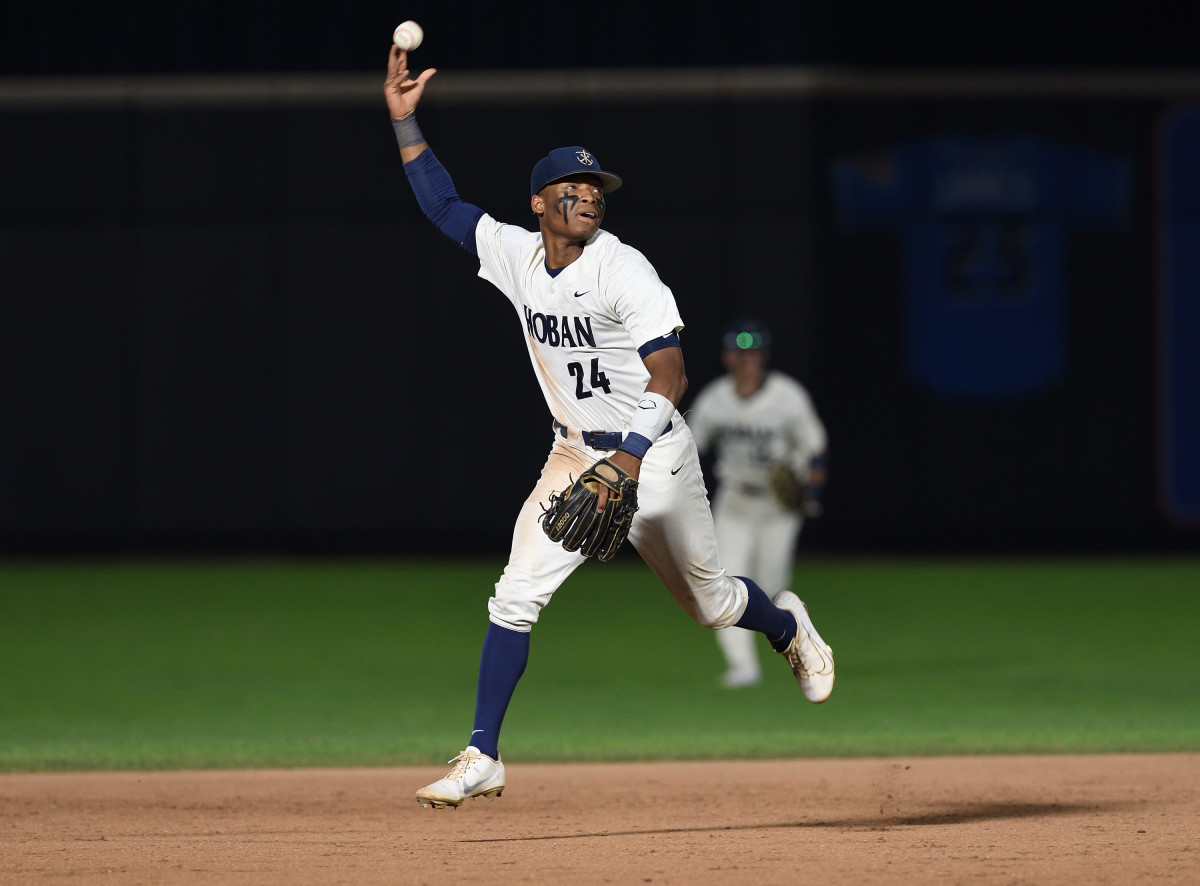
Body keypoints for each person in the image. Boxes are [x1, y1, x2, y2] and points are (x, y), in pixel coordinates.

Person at [383, 45, 835, 810]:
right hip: (570, 453)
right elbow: (442, 205)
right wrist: (404, 120)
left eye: (596, 186)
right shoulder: (517, 255)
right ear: (539, 201)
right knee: (513, 596)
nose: (589, 194)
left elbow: (672, 377)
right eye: (573, 183)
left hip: (652, 454)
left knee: (711, 605)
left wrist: (626, 458)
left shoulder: (624, 269)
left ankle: (787, 626)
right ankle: (482, 754)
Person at [688, 320, 829, 688]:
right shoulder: (715, 399)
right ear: (728, 358)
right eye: (740, 353)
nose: (747, 360)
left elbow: (815, 449)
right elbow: (689, 447)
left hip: (777, 506)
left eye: (753, 353)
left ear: (763, 357)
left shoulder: (787, 396)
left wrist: (809, 492)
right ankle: (742, 666)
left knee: (771, 586)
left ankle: (797, 647)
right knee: (721, 585)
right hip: (734, 500)